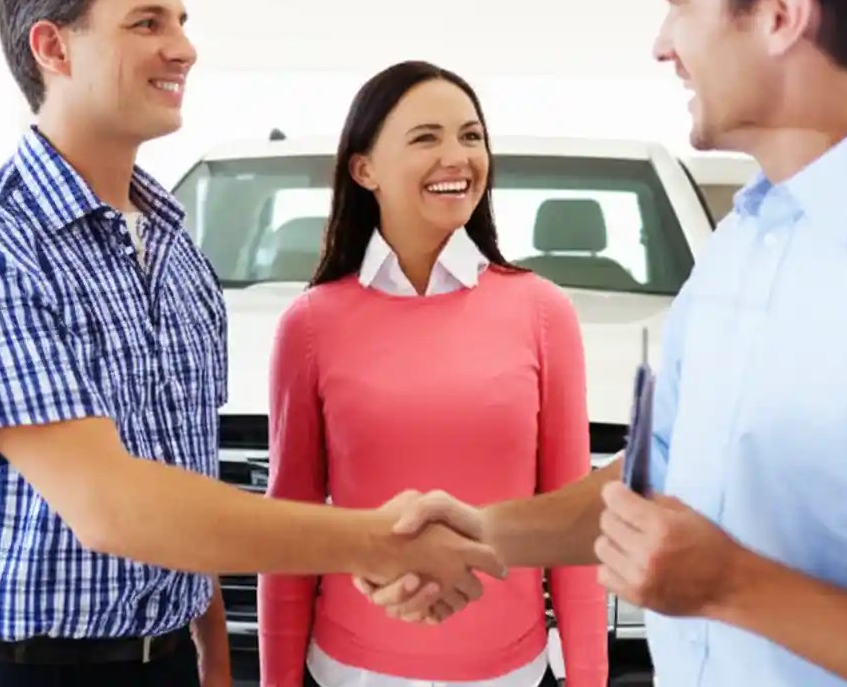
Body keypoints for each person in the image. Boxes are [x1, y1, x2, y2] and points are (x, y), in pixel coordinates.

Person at [358, 0, 847, 685]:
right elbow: (661, 476)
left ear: (780, 13)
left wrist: (732, 587)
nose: (662, 46)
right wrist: (481, 533)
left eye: (679, 6)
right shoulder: (743, 243)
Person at [0, 0, 503, 686]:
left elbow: (186, 482)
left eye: (181, 22)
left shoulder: (177, 251)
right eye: (148, 23)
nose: (184, 48)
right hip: (15, 670)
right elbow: (109, 505)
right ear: (53, 49)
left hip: (167, 661)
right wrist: (376, 540)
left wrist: (213, 660)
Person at [257, 61, 608, 687]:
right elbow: (291, 531)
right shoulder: (310, 324)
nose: (458, 157)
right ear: (364, 169)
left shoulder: (542, 311)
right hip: (345, 673)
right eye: (427, 138)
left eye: (471, 137)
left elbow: (572, 524)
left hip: (514, 675)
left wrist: (589, 678)